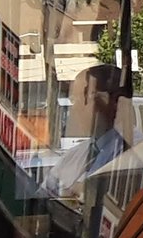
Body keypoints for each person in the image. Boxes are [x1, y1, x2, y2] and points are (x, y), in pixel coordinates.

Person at [44, 63, 130, 200]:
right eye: (73, 100)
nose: (75, 107)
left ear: (113, 101)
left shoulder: (136, 152)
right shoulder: (74, 155)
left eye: (82, 98)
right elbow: (42, 197)